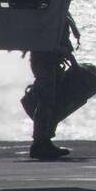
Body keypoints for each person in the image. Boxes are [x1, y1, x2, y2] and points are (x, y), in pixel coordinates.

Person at [28, 12, 81, 161]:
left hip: (50, 60)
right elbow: (48, 38)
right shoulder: (53, 11)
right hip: (45, 60)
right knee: (46, 101)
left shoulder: (58, 10)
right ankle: (40, 143)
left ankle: (43, 141)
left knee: (49, 101)